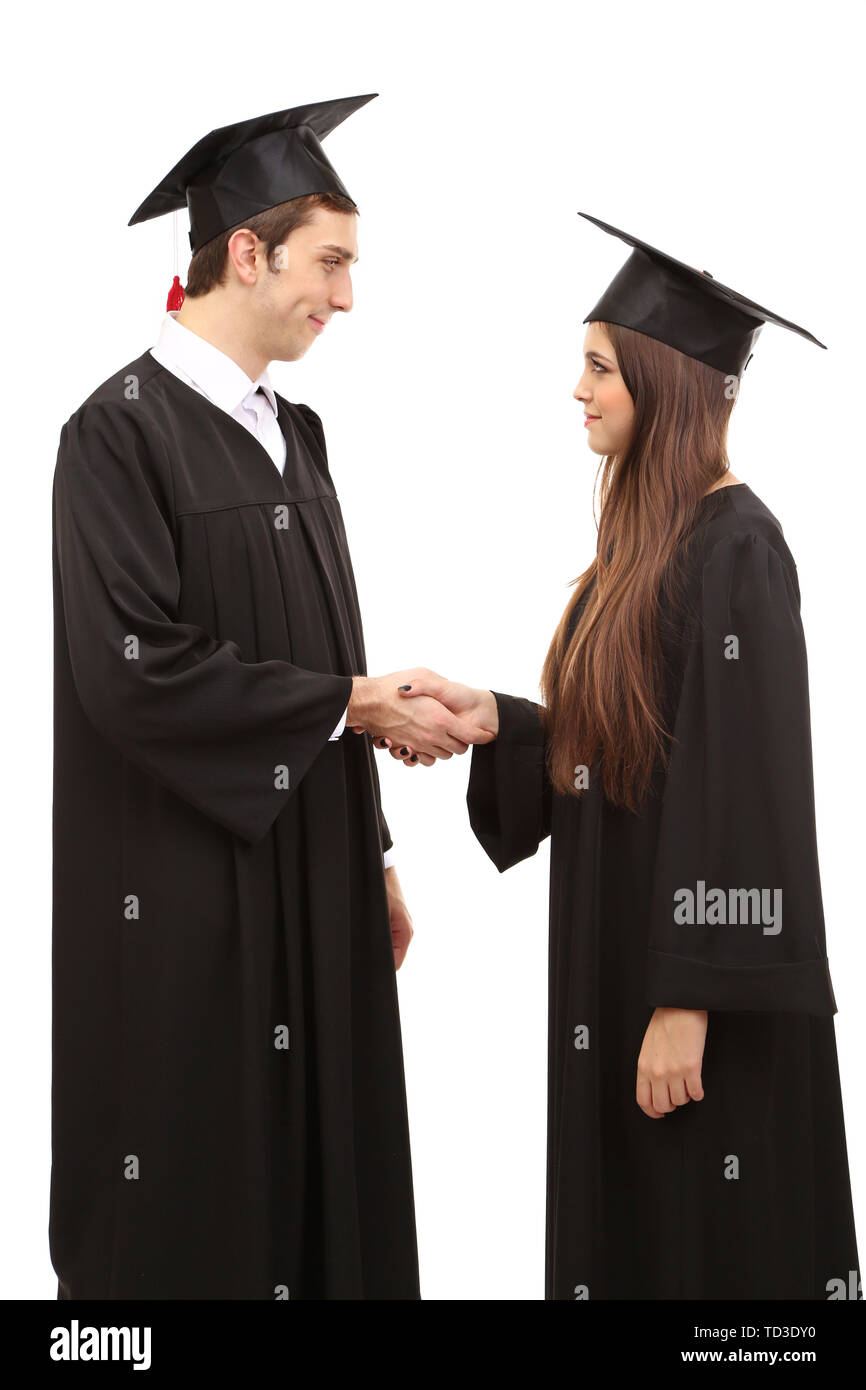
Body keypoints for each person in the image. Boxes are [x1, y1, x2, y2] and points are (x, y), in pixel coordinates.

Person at [50, 94, 492, 1300]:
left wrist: (376, 843)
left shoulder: (297, 433)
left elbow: (327, 644)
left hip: (316, 864)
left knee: (322, 1180)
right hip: (190, 888)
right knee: (206, 1182)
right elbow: (130, 670)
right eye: (330, 263)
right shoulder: (115, 437)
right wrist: (352, 703)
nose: (345, 297)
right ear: (246, 252)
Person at [384, 214, 861, 1299]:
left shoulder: (738, 545)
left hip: (695, 1006)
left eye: (597, 366)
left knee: (709, 1259)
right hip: (626, 972)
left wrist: (687, 1000)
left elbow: (750, 791)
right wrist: (499, 720)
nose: (576, 390)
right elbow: (636, 746)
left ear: (662, 379)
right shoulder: (647, 546)